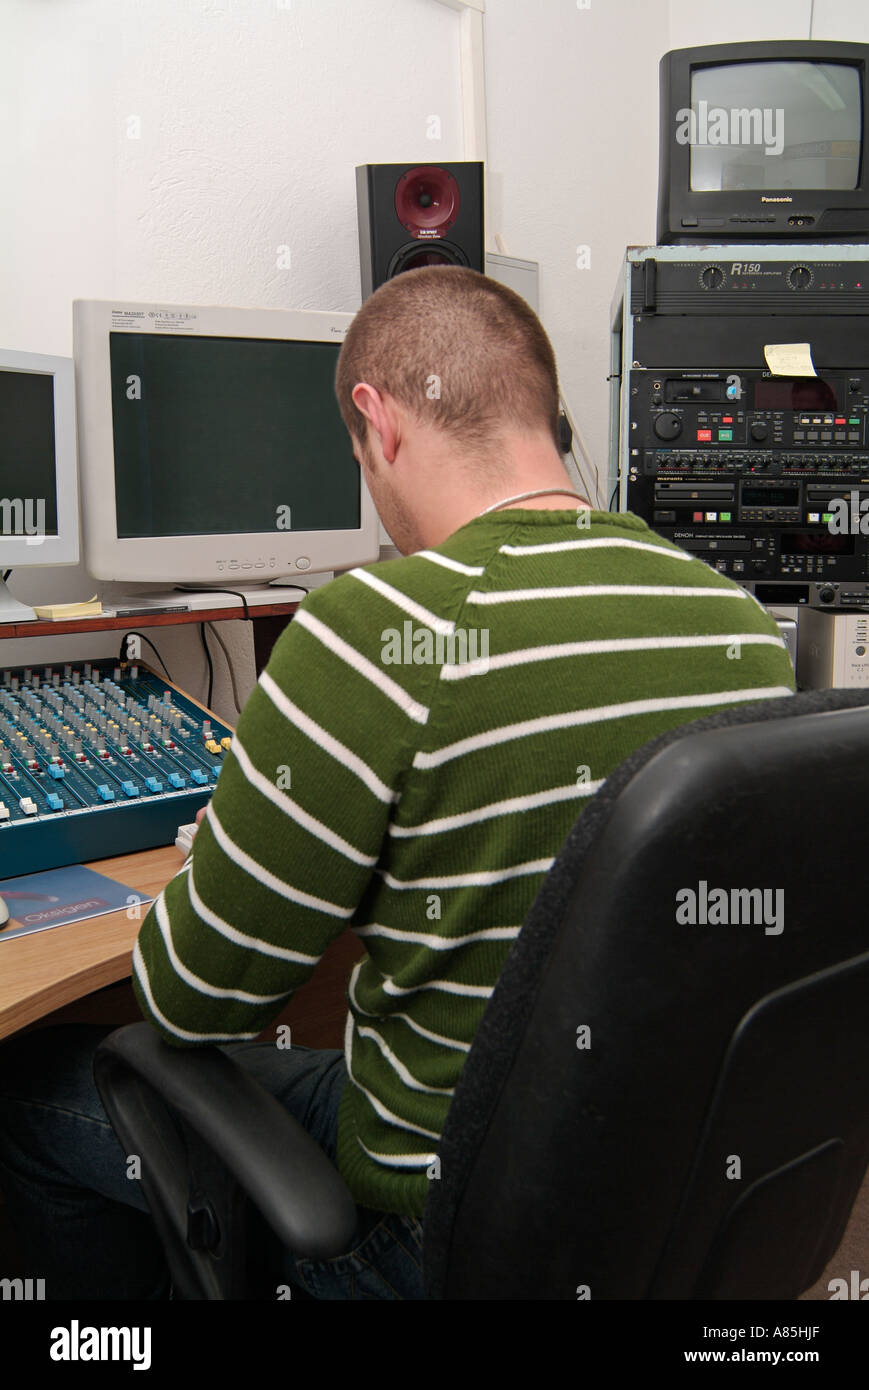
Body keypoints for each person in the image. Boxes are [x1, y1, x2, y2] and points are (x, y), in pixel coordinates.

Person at [0, 266, 796, 1300]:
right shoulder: (734, 621)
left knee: (27, 1094)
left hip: (435, 1229)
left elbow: (190, 998)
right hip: (664, 1204)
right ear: (542, 410)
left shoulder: (376, 632)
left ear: (374, 422)